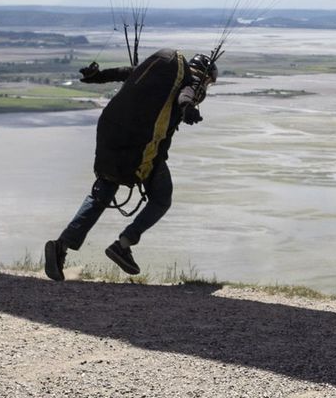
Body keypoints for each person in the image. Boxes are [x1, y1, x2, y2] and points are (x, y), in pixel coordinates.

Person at [43, 47, 216, 280]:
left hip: (112, 135)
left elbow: (127, 73)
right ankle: (123, 245)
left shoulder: (158, 74)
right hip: (142, 148)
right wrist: (188, 108)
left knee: (101, 193)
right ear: (206, 76)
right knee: (162, 197)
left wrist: (97, 76)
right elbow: (187, 94)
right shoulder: (193, 81)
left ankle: (60, 247)